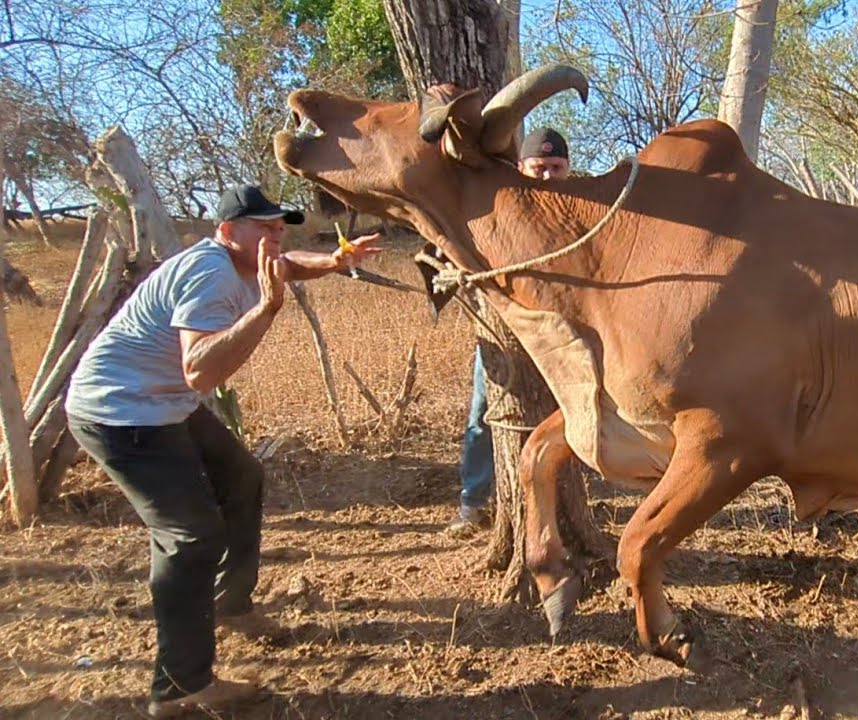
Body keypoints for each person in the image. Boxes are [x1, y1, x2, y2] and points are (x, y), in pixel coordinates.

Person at [64, 184, 381, 718]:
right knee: (189, 537)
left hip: (166, 405)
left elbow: (282, 265)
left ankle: (229, 605)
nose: (276, 241)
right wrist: (268, 309)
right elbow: (202, 369)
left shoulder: (242, 256)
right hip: (122, 414)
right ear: (228, 230)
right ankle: (179, 687)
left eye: (281, 230)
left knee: (241, 477)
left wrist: (331, 260)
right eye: (265, 229)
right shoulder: (210, 274)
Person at [446, 128, 572, 535]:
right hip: (506, 333)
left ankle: (565, 505)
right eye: (540, 168)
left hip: (566, 333)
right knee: (486, 413)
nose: (548, 176)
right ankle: (473, 502)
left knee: (574, 412)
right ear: (521, 168)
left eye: (557, 167)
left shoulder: (579, 214)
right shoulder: (494, 210)